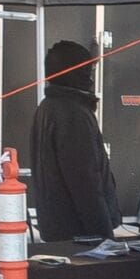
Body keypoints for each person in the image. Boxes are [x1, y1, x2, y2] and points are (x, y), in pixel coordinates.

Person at [28, 39, 121, 243]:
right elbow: (85, 182)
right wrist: (105, 238)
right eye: (87, 70)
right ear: (75, 72)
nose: (90, 76)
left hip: (57, 228)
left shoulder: (46, 107)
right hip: (80, 233)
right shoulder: (72, 112)